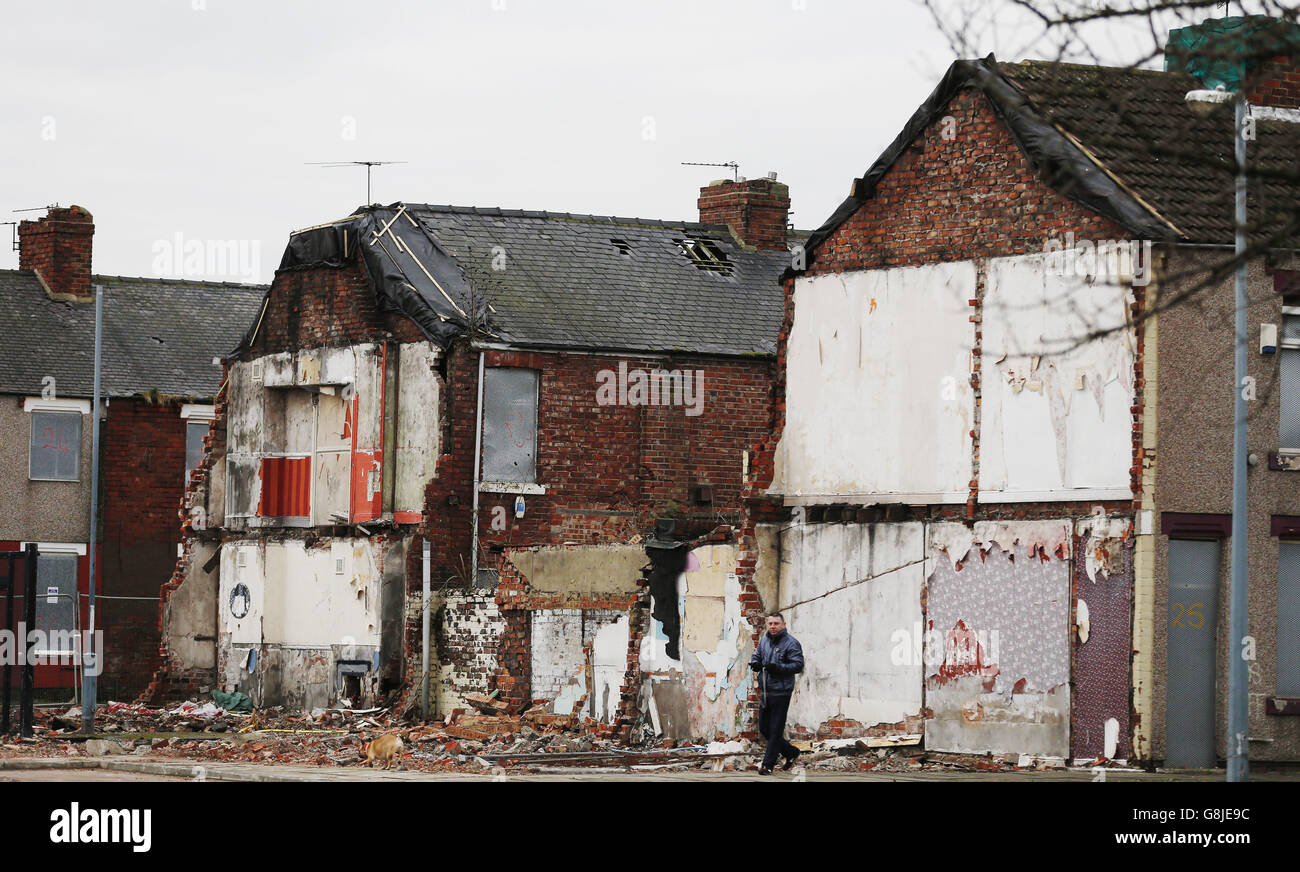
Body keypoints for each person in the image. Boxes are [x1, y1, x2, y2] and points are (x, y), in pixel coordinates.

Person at [749, 612, 804, 775]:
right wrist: (756, 663)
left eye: (776, 624)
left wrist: (778, 667)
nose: (773, 626)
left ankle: (767, 765)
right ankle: (790, 752)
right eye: (770, 623)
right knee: (764, 729)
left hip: (782, 690)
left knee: (775, 729)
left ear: (784, 625)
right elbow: (757, 655)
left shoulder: (791, 643)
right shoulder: (764, 640)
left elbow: (798, 665)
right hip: (766, 689)